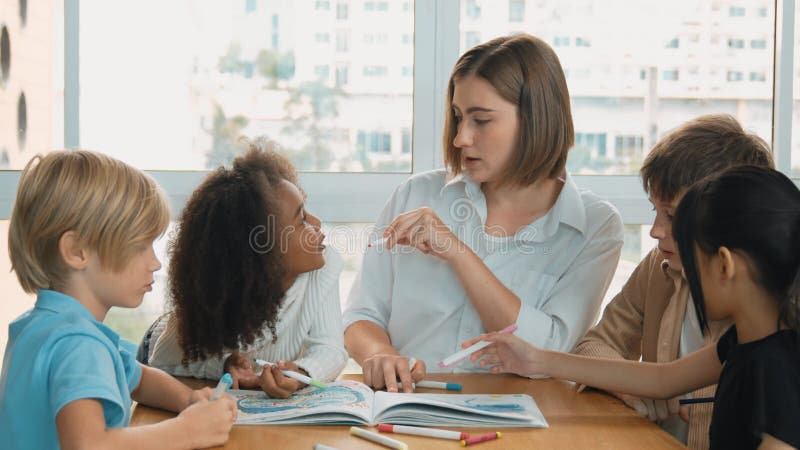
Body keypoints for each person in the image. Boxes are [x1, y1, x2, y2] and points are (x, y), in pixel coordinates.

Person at [343, 33, 624, 393]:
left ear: (536, 119)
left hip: (525, 417)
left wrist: (457, 253)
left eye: (481, 120)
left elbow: (550, 352)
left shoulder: (594, 227)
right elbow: (362, 314)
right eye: (458, 117)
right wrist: (380, 354)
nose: (460, 138)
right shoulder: (415, 195)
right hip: (405, 407)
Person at [468, 165, 800, 450]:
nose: (686, 276)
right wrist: (536, 359)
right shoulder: (744, 343)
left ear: (725, 266)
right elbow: (663, 379)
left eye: (693, 263)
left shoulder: (778, 371)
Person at [0, 150, 236, 449]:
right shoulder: (78, 344)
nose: (155, 263)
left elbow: (140, 379)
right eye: (140, 246)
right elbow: (89, 445)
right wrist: (188, 432)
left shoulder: (41, 328)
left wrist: (187, 399)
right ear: (77, 251)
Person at [572, 114, 774, 448]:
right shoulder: (659, 266)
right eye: (655, 211)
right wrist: (633, 386)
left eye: (672, 216)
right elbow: (594, 345)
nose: (655, 231)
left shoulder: (774, 313)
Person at [140, 138, 347, 399]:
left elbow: (330, 349)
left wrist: (300, 373)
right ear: (261, 250)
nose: (316, 223)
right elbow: (161, 359)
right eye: (301, 220)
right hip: (155, 355)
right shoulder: (221, 292)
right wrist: (223, 365)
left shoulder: (324, 266)